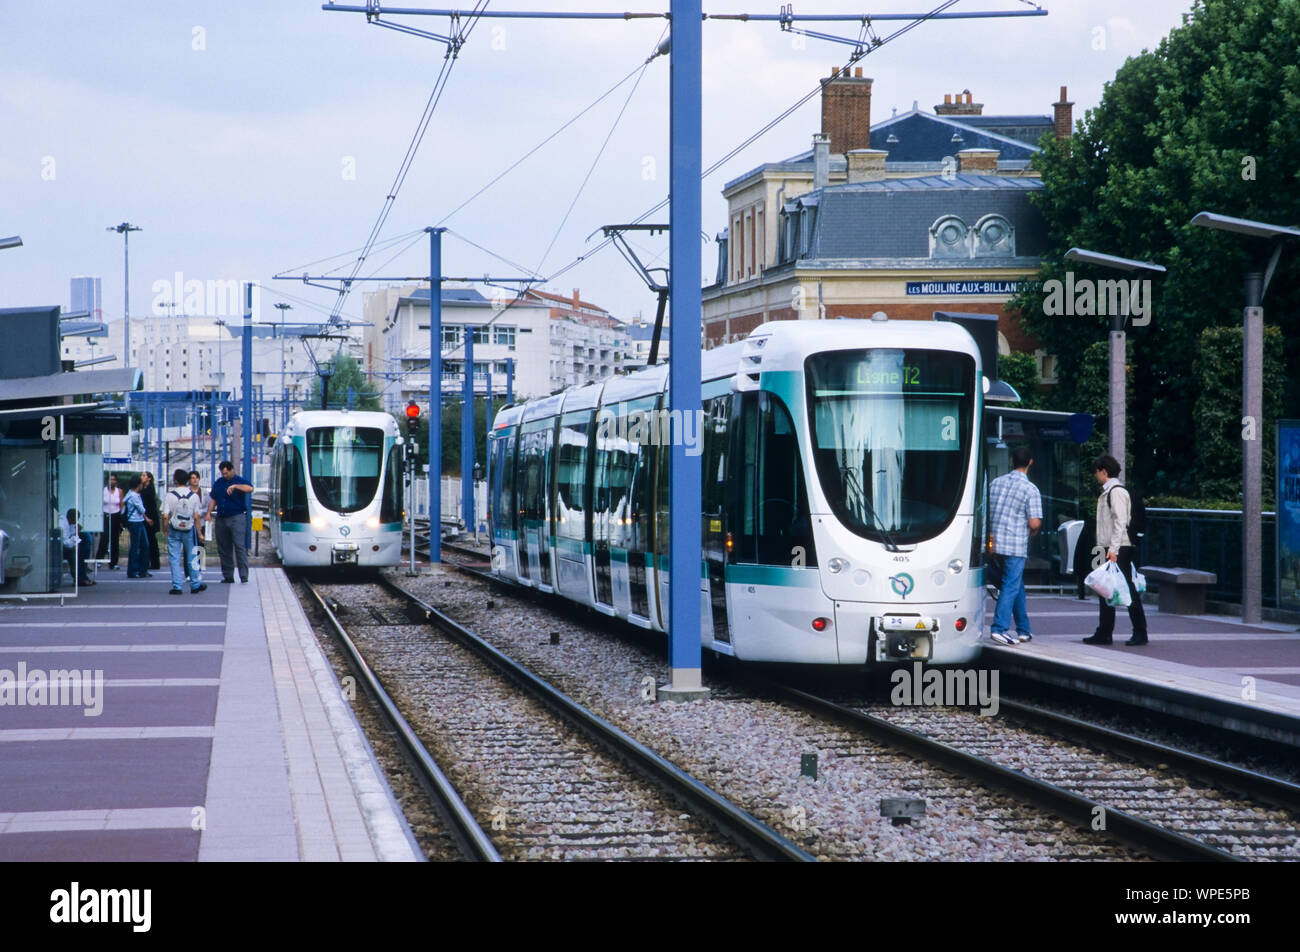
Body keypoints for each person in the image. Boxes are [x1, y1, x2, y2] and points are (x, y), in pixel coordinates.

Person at [1083, 454, 1149, 647]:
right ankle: (1104, 631)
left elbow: (1120, 522)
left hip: (1119, 547)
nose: (1096, 476)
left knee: (1127, 589)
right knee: (1106, 589)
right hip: (1111, 546)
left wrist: (1113, 550)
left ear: (1104, 471)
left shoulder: (1116, 492)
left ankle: (1139, 631)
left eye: (1097, 472)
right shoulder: (1108, 491)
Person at [987, 446, 1043, 646]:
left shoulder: (995, 483)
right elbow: (1035, 522)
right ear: (1030, 462)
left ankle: (1024, 630)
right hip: (1015, 545)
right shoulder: (1030, 489)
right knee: (1011, 586)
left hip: (993, 545)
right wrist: (1033, 531)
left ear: (1011, 461)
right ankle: (999, 628)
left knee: (1016, 585)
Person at [206, 460, 254, 584]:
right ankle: (228, 575)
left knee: (239, 546)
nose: (225, 475)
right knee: (224, 548)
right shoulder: (219, 483)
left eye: (227, 473)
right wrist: (208, 513)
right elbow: (214, 499)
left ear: (232, 470)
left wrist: (235, 486)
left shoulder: (240, 480)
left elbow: (250, 488)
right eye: (223, 473)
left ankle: (243, 575)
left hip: (237, 517)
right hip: (221, 518)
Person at [163, 468, 207, 595]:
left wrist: (165, 529)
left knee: (174, 558)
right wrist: (199, 533)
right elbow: (197, 517)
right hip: (189, 529)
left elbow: (165, 516)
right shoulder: (193, 496)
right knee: (192, 557)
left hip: (174, 529)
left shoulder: (170, 495)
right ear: (187, 480)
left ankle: (177, 586)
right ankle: (195, 584)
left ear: (175, 480)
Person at [123, 475, 154, 578]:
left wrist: (146, 518)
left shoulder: (130, 494)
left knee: (144, 546)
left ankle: (142, 569)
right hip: (135, 523)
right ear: (138, 485)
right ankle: (134, 570)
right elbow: (142, 509)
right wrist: (147, 517)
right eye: (141, 484)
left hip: (138, 521)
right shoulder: (134, 496)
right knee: (136, 547)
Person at [59, 508, 94, 587]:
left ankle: (83, 575)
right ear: (71, 518)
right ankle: (79, 577)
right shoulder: (62, 524)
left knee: (85, 539)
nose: (76, 521)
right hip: (60, 548)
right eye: (76, 519)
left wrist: (76, 532)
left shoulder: (70, 523)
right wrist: (75, 537)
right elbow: (65, 542)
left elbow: (70, 535)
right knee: (75, 553)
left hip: (67, 545)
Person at [96, 474, 123, 569]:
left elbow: (121, 505)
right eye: (110, 479)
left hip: (116, 515)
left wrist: (121, 520)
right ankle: (99, 560)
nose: (112, 481)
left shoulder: (119, 491)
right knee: (104, 538)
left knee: (115, 540)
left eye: (114, 479)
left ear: (116, 481)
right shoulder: (103, 491)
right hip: (105, 515)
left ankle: (113, 562)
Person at [188, 470, 208, 584]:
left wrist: (200, 512)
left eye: (196, 478)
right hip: (189, 523)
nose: (194, 480)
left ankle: (200, 569)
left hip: (201, 522)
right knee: (190, 548)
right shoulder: (186, 492)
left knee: (200, 546)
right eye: (192, 478)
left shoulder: (204, 492)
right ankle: (189, 572)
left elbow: (208, 505)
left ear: (199, 479)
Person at [141, 471, 162, 571]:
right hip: (147, 517)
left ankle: (154, 562)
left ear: (149, 478)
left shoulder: (149, 489)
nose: (142, 477)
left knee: (151, 541)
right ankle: (152, 561)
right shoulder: (144, 488)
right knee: (150, 540)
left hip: (150, 518)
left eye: (144, 475)